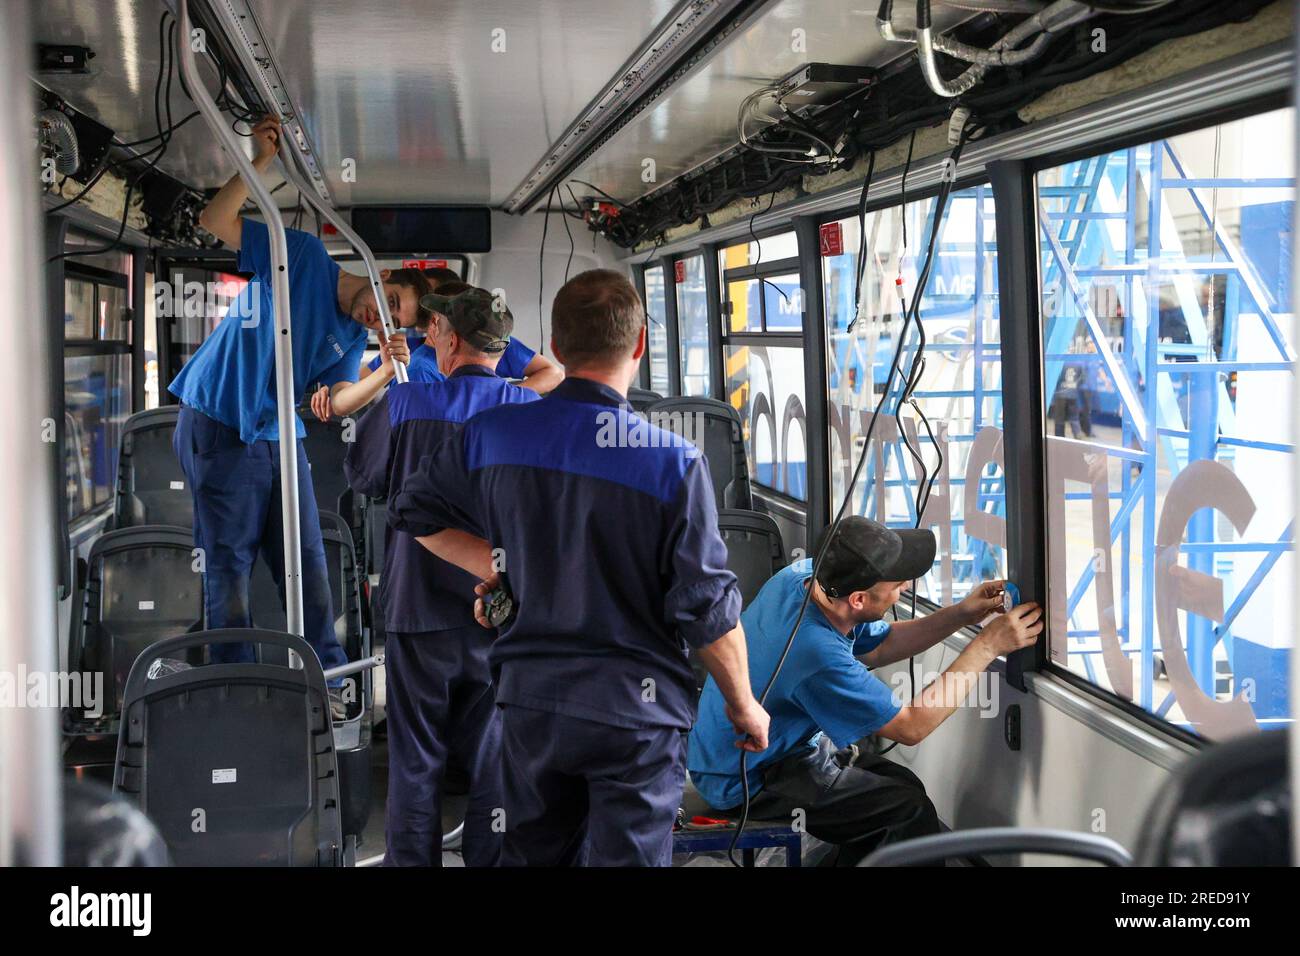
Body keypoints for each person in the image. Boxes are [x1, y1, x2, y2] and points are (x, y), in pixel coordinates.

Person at [388, 269, 770, 866]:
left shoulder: (493, 435)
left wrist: (495, 561)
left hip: (530, 705)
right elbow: (706, 609)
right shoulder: (673, 463)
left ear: (557, 348)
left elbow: (412, 509)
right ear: (639, 347)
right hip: (634, 718)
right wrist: (743, 703)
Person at [168, 114, 432, 714]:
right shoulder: (303, 256)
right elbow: (215, 222)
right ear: (379, 276)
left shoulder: (351, 337)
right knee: (230, 562)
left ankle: (329, 685)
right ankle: (230, 691)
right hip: (220, 419)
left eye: (394, 321)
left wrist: (385, 372)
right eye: (388, 303)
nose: (380, 318)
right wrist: (260, 164)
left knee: (308, 555)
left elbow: (330, 404)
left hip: (274, 430)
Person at [688, 516, 1043, 866]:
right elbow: (911, 727)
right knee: (908, 815)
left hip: (772, 747)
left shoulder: (805, 579)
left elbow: (880, 646)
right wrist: (986, 646)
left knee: (903, 786)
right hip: (747, 776)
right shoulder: (814, 652)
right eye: (897, 583)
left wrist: (961, 614)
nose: (905, 585)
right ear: (858, 599)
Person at [344, 287, 539, 867]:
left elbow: (363, 478)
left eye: (435, 331)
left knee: (415, 758)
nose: (429, 339)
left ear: (452, 342)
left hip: (417, 607)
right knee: (495, 759)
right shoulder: (528, 410)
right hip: (502, 609)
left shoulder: (406, 405)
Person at [309, 275, 564, 421]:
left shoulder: (492, 342)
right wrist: (330, 390)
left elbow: (553, 373)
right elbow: (356, 381)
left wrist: (494, 396)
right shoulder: (408, 356)